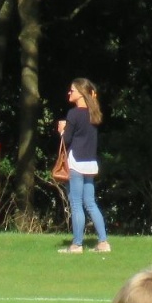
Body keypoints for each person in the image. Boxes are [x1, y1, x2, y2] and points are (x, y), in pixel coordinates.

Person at [57, 78, 109, 254]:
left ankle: (77, 244)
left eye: (72, 90)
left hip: (76, 162)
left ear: (81, 92)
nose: (69, 93)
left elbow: (67, 140)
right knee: (90, 203)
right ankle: (103, 242)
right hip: (90, 163)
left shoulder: (74, 114)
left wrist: (62, 130)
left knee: (77, 204)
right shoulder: (94, 114)